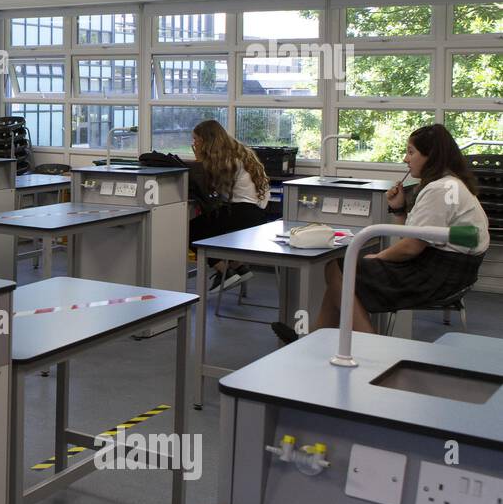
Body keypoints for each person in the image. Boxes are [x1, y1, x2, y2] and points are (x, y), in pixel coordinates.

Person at [273, 124, 490, 343]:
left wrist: (378, 256)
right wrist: (398, 209)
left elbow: (411, 247)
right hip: (449, 268)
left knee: (339, 268)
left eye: (411, 152)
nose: (406, 159)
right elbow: (412, 238)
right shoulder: (448, 184)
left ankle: (369, 343)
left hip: (440, 273)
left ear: (430, 156)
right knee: (341, 272)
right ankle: (313, 340)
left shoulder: (439, 189)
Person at [187, 119, 278, 291]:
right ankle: (238, 267)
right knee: (209, 223)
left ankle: (224, 272)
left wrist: (199, 157)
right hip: (257, 214)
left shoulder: (225, 161)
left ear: (207, 141)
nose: (193, 143)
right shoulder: (240, 152)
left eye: (196, 140)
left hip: (242, 213)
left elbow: (209, 189)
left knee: (192, 230)